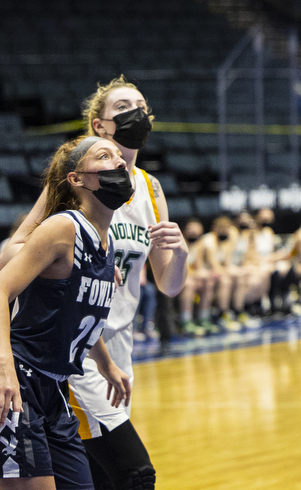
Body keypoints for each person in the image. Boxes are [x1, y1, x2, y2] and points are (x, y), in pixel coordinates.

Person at [0, 77, 187, 489]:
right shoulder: (74, 194)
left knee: (93, 480)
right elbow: (12, 252)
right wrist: (79, 262)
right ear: (98, 124)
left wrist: (182, 254)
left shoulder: (151, 190)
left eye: (141, 104)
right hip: (65, 360)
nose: (136, 112)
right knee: (135, 475)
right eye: (122, 106)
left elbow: (169, 285)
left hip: (112, 353)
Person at [0, 135, 131, 488]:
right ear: (76, 179)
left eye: (120, 156)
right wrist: (4, 370)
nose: (119, 161)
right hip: (20, 383)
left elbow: (80, 314)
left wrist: (106, 364)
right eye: (105, 156)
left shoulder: (108, 243)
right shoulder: (63, 227)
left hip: (55, 389)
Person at [179, 219, 215, 336]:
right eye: (190, 230)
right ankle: (185, 321)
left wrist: (204, 274)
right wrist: (196, 275)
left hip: (192, 277)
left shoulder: (198, 246)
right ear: (184, 231)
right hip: (178, 279)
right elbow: (179, 270)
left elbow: (198, 267)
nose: (193, 233)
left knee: (208, 282)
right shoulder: (179, 245)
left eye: (196, 230)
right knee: (189, 284)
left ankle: (203, 318)